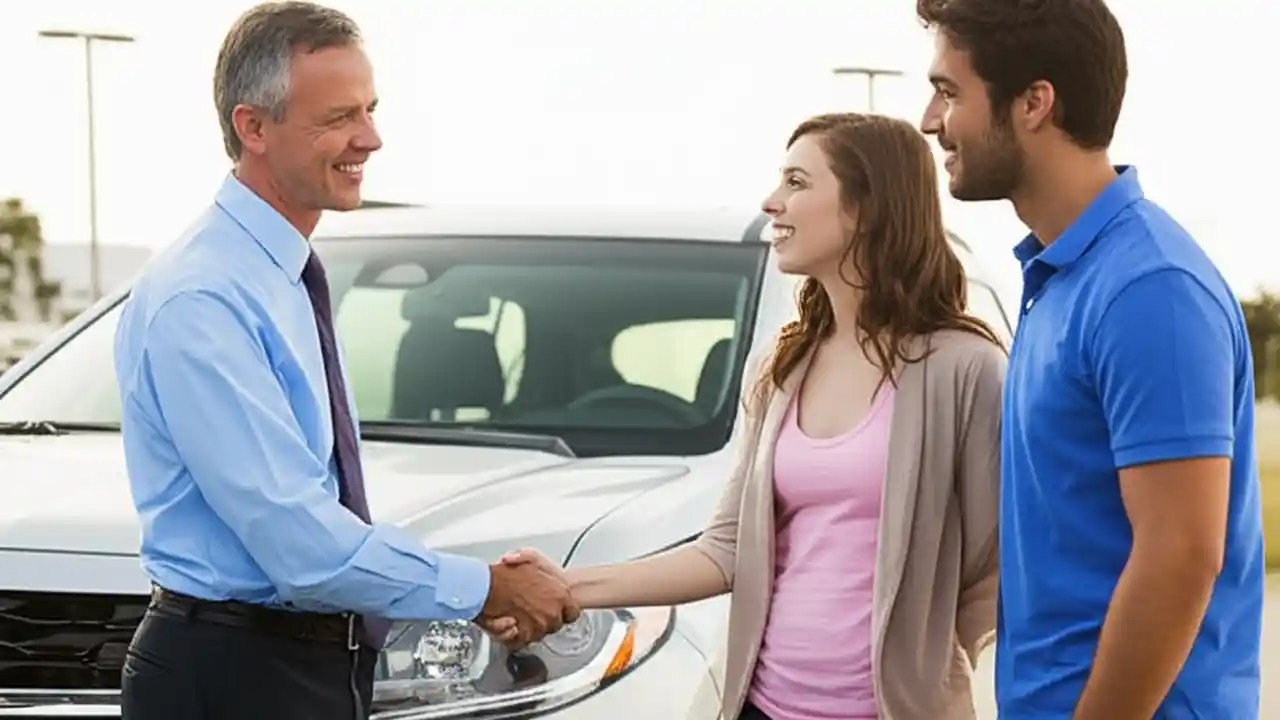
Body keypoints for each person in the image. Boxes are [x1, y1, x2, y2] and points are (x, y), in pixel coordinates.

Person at [111, 3, 574, 719]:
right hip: (233, 678)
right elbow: (301, 545)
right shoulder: (204, 297)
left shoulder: (280, 276)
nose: (371, 138)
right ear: (252, 127)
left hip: (303, 664)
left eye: (370, 109)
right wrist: (484, 589)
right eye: (338, 118)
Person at [491, 113, 1007, 720]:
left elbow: (998, 569)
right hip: (764, 706)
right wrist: (566, 587)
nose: (772, 201)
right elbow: (727, 550)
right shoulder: (785, 368)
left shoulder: (967, 370)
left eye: (797, 182)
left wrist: (938, 674)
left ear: (865, 206)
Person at [916, 1, 1265, 718]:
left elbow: (1180, 556)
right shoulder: (1064, 278)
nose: (929, 120)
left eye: (949, 92)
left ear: (1034, 103)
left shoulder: (1150, 289)